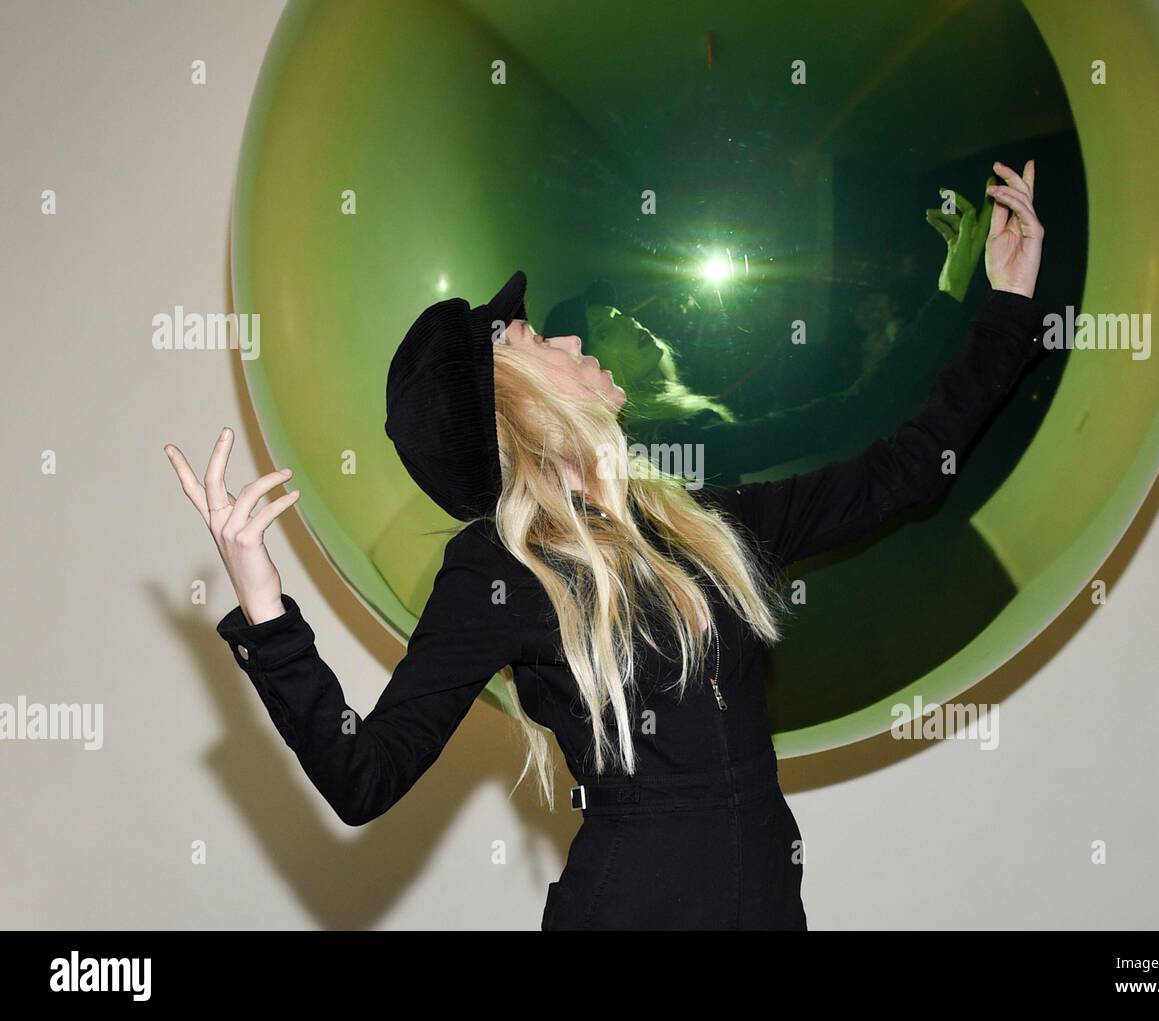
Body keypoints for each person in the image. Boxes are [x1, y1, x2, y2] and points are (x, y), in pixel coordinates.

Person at [164, 159, 1049, 930]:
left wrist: (1007, 302)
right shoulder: (497, 573)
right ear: (509, 403)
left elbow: (907, 470)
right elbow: (365, 775)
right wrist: (266, 609)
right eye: (533, 337)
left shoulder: (698, 520)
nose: (573, 337)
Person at [541, 180, 996, 485]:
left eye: (619, 312)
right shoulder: (667, 448)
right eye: (604, 327)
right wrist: (950, 291)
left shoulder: (660, 434)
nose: (627, 320)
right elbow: (854, 411)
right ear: (585, 370)